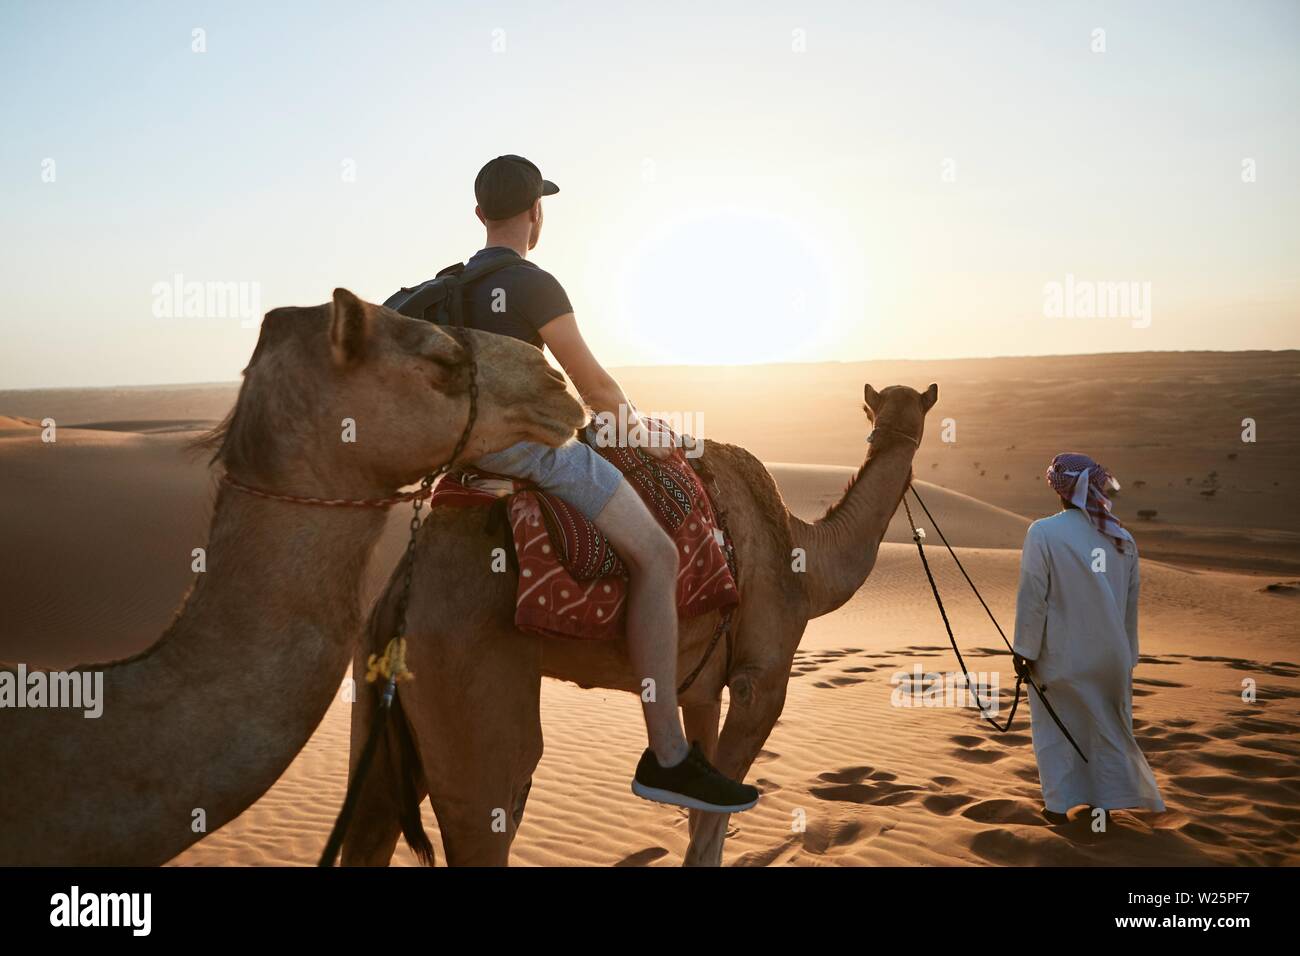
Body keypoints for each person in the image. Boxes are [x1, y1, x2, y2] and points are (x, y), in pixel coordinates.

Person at [392, 155, 758, 813]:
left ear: (480, 215)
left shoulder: (439, 292)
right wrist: (643, 432)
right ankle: (669, 756)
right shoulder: (533, 284)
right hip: (534, 457)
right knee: (659, 553)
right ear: (536, 213)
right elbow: (595, 390)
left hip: (458, 463)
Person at [1012, 452, 1165, 820]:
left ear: (1059, 491)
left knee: (1058, 731)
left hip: (1061, 657)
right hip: (1111, 658)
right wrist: (1127, 657)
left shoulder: (1044, 532)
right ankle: (1104, 806)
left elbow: (1033, 594)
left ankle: (1058, 806)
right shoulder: (1121, 537)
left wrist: (1024, 650)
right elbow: (1130, 606)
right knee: (1107, 730)